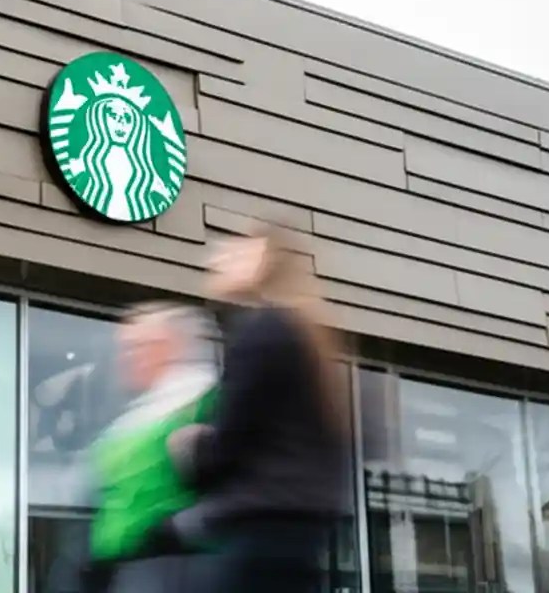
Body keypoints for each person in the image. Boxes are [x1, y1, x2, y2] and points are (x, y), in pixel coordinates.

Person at [165, 222, 351, 593]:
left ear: (264, 263)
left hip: (260, 530)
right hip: (300, 531)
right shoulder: (309, 338)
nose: (219, 257)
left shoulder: (263, 330)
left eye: (237, 250)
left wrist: (190, 446)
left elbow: (230, 443)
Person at [82, 302, 220, 593]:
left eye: (137, 346)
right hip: (124, 570)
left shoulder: (202, 402)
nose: (127, 358)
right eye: (124, 348)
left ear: (169, 346)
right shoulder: (129, 420)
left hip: (176, 569)